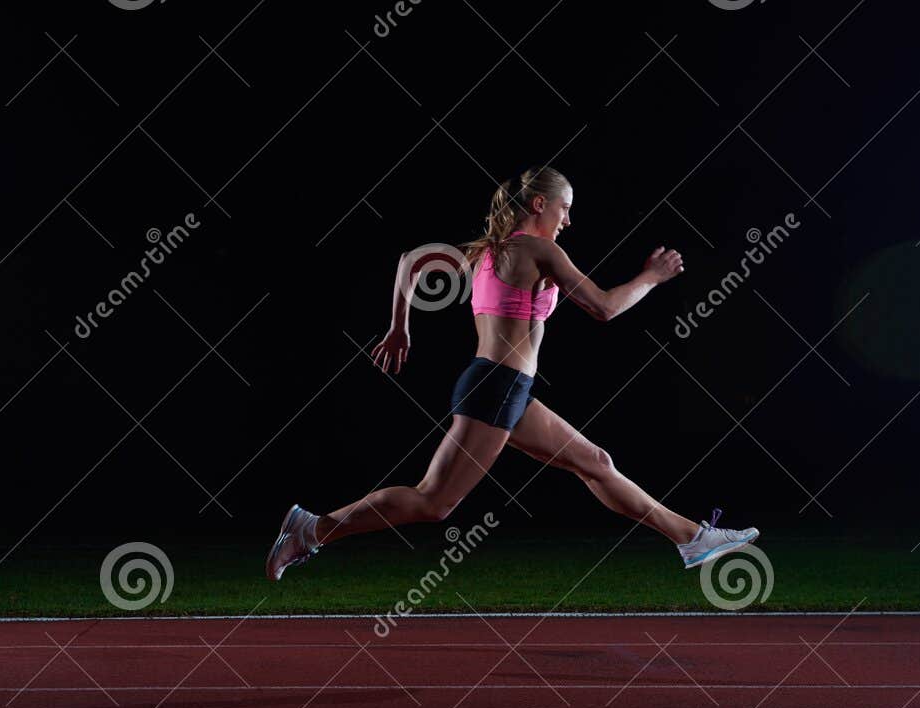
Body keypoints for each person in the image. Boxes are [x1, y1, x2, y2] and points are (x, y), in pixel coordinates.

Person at [266, 165, 757, 580]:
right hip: (497, 387)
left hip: (507, 389)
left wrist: (401, 328)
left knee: (596, 463)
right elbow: (605, 308)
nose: (569, 219)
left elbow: (410, 260)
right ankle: (314, 529)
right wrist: (652, 277)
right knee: (433, 502)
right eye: (565, 208)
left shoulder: (489, 251)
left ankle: (690, 538)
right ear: (540, 204)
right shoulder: (539, 251)